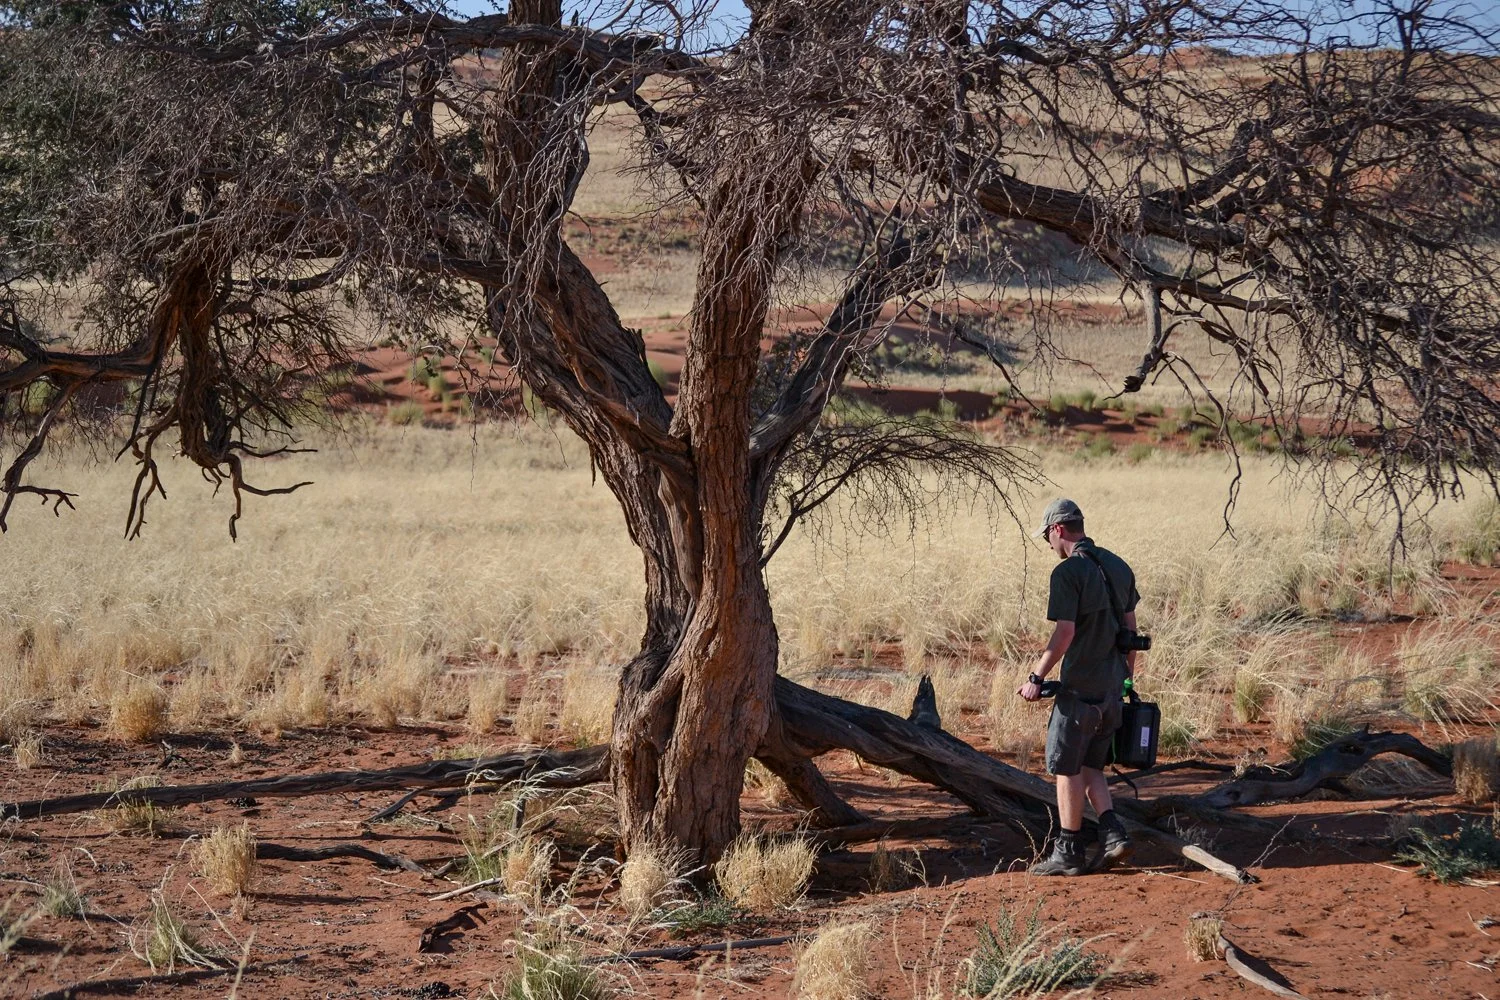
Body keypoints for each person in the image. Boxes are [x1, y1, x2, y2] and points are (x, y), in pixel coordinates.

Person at [1017, 498, 1141, 875]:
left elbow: (1065, 632)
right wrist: (1125, 681)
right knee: (1091, 766)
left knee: (1065, 767)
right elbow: (1131, 632)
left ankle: (1068, 852)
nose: (1049, 547)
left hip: (1080, 690)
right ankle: (1113, 833)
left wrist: (1036, 677)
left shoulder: (1068, 573)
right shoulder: (1118, 566)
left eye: (1047, 539)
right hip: (1110, 690)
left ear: (1057, 530)